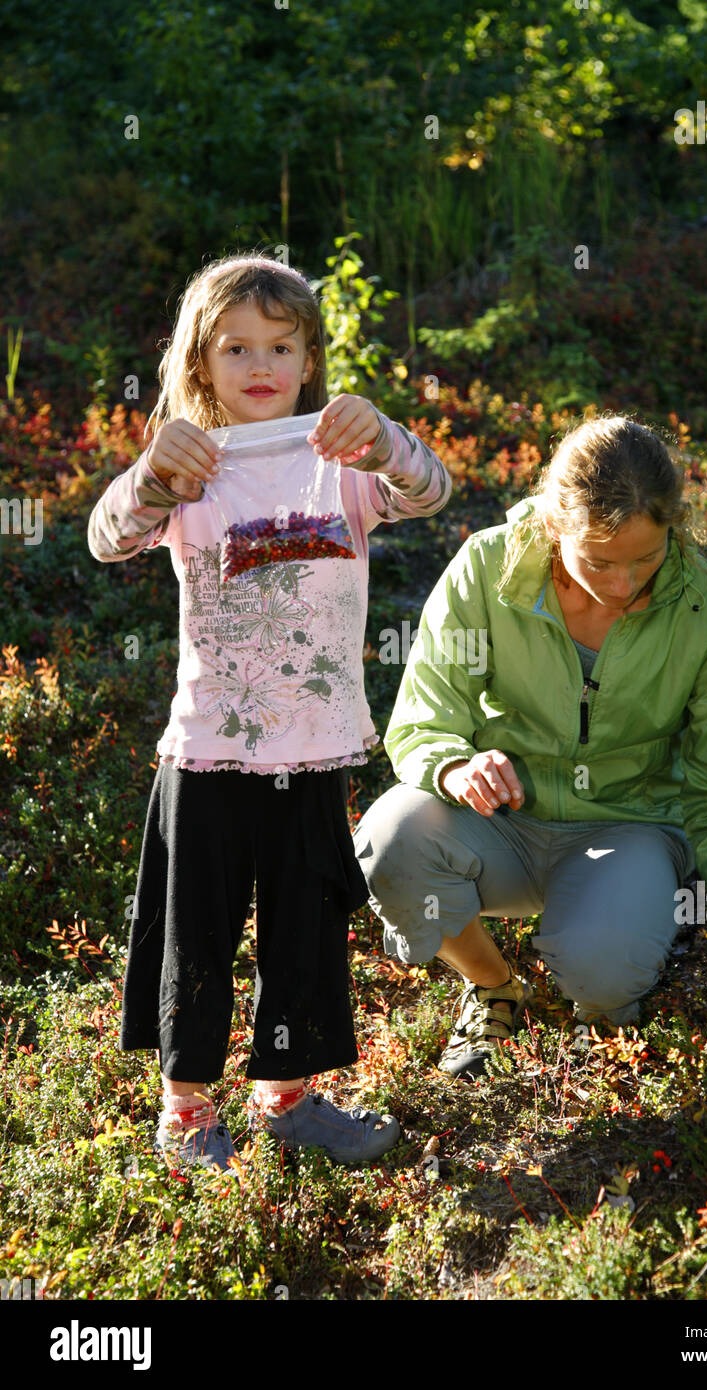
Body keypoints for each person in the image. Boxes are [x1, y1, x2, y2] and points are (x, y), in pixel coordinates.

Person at [87, 253, 452, 1165]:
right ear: (198, 364)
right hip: (210, 752)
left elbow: (432, 492)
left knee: (306, 930)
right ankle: (185, 1117)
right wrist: (149, 473)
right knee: (196, 930)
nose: (261, 364)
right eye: (236, 347)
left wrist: (388, 438)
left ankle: (289, 1100)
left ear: (308, 360)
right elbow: (106, 540)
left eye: (281, 346)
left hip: (314, 749)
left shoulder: (339, 464)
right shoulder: (191, 471)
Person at [352, 414, 707, 1078]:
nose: (624, 584)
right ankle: (493, 986)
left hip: (631, 827)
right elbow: (421, 722)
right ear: (556, 526)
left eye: (647, 558)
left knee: (606, 971)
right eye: (601, 560)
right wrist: (458, 765)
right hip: (500, 824)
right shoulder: (486, 568)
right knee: (391, 839)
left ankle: (601, 989)